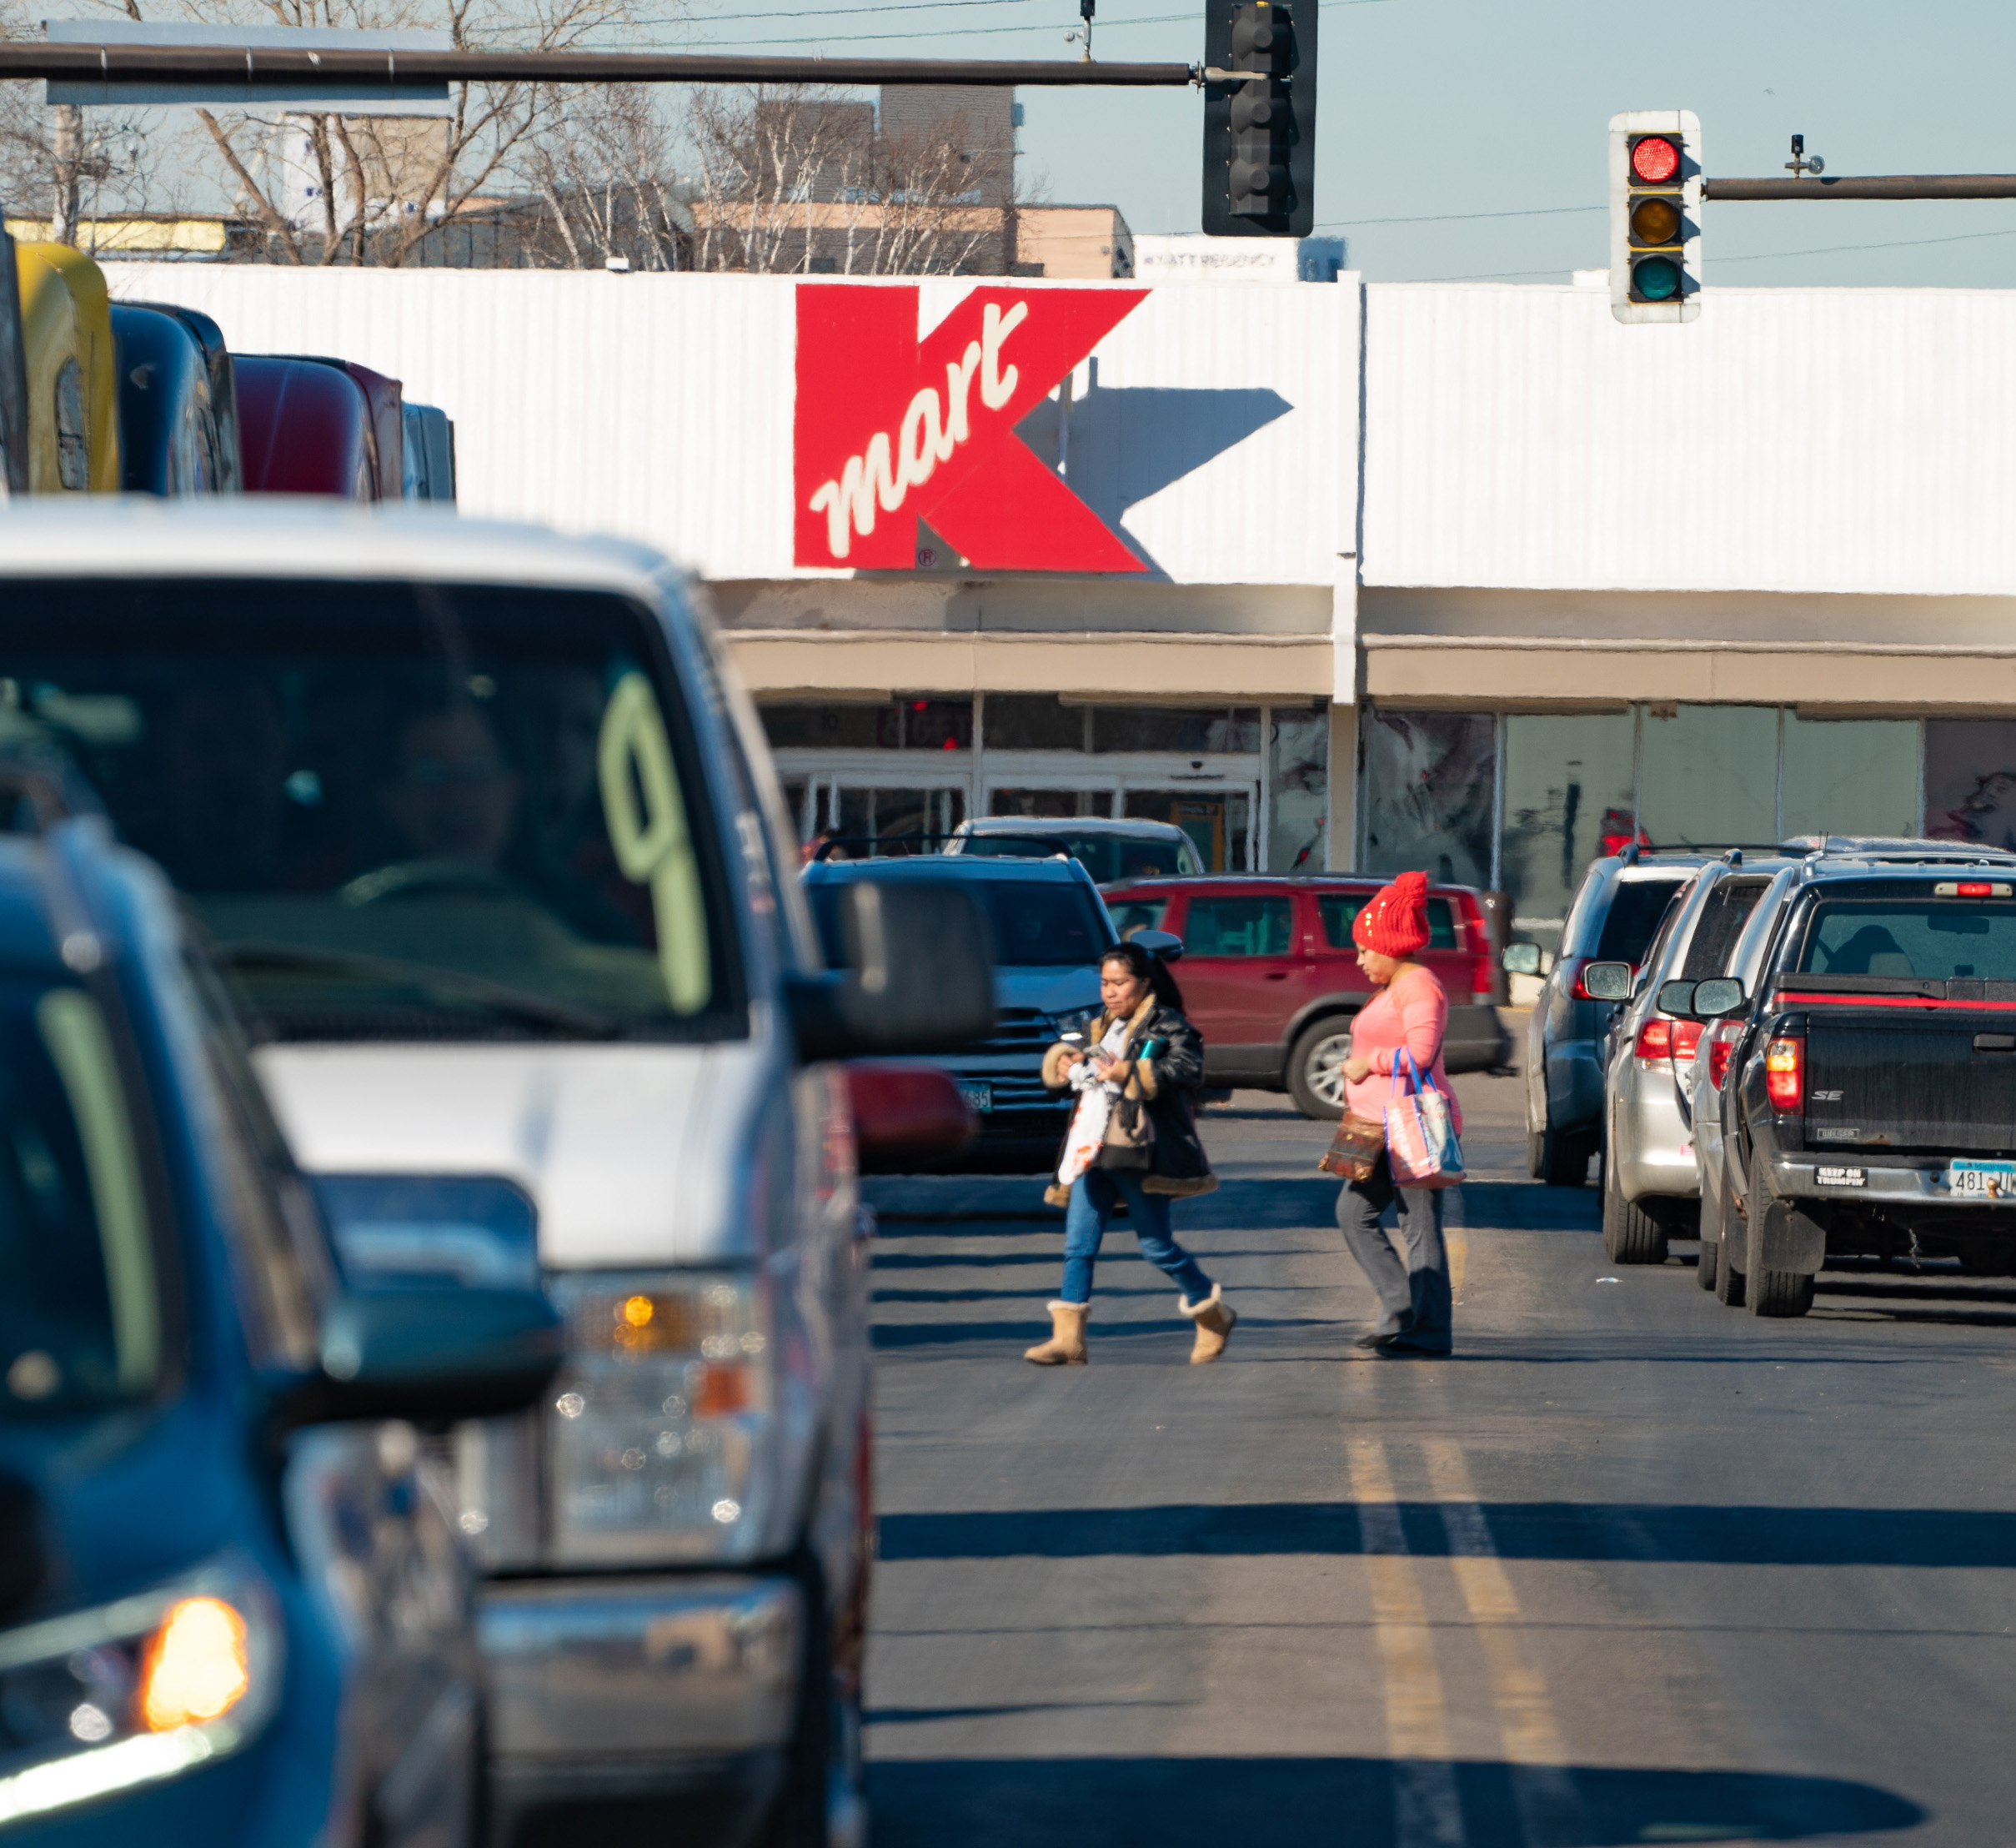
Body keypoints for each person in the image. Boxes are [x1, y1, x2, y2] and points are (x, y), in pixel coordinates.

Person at [1025, 942, 1232, 1367]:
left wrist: (1134, 1072)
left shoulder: (1166, 1023)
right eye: (1105, 983)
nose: (1110, 992)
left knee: (1156, 1246)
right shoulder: (1097, 1025)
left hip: (1137, 1149)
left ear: (1144, 983)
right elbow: (1074, 1061)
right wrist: (1064, 1063)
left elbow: (1190, 1069)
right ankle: (1069, 1341)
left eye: (1120, 983)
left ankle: (1211, 1314)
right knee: (1078, 1246)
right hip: (1092, 1147)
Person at [1333, 869, 1461, 1357]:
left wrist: (1370, 1063)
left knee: (1419, 1229)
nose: (1360, 958)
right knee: (1353, 1212)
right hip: (1374, 1127)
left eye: (1366, 949)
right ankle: (1399, 1311)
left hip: (1409, 1127)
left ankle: (1427, 1331)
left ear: (1390, 946)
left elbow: (1420, 1055)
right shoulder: (1395, 987)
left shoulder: (1418, 987)